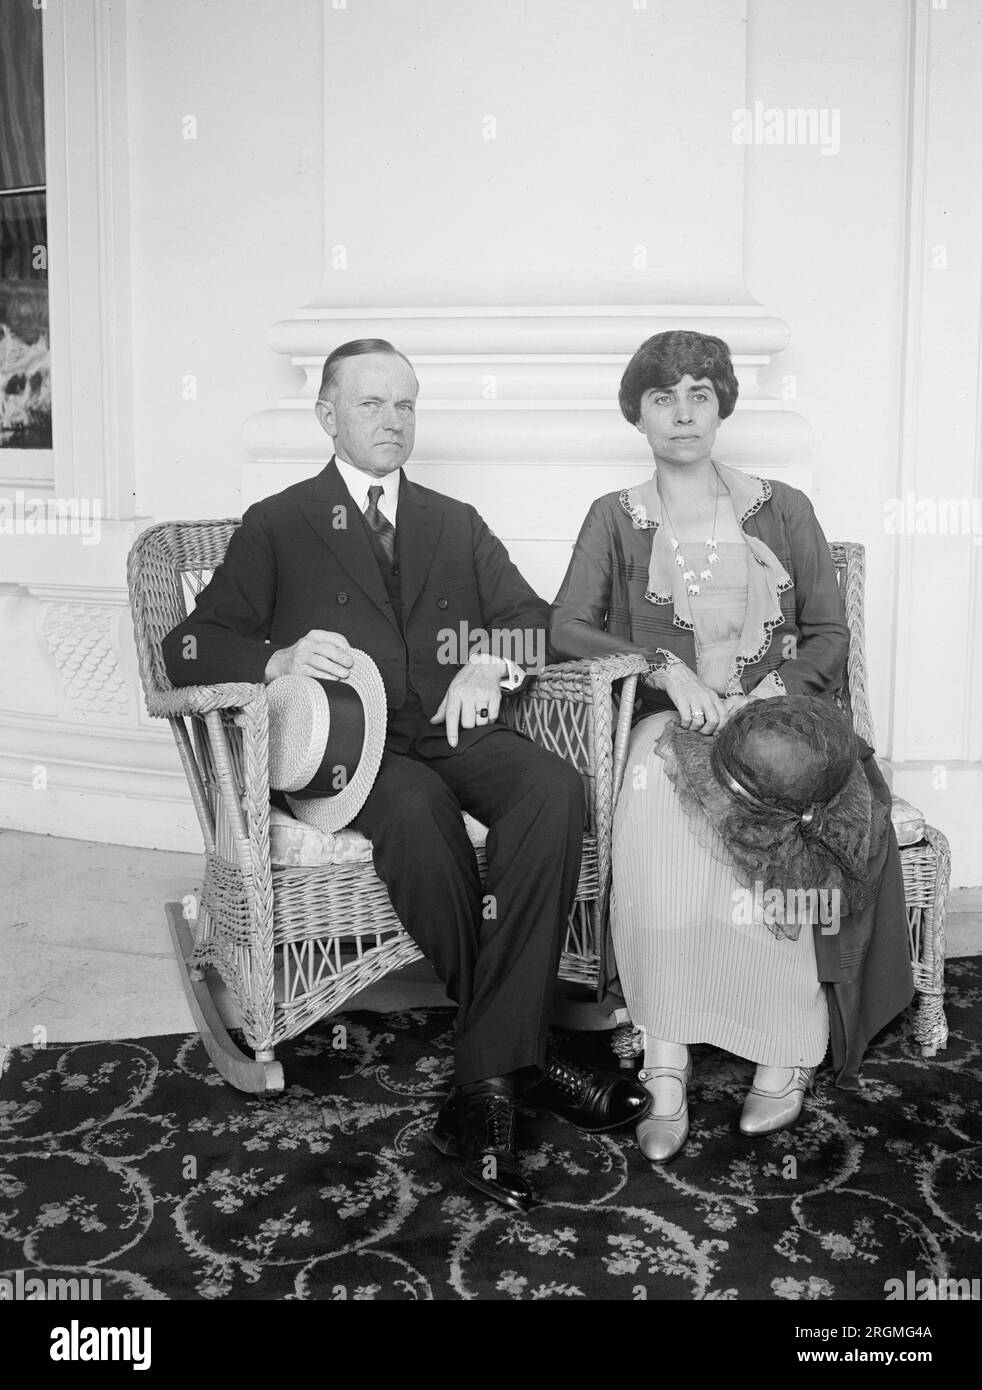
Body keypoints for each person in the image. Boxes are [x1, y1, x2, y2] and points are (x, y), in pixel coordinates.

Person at [163, 338, 648, 1211]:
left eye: (407, 405)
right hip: (358, 755)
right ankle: (523, 1056)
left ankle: (486, 1086)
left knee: (553, 788)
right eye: (371, 404)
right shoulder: (280, 521)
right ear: (327, 416)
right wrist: (278, 656)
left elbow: (530, 621)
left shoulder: (452, 520)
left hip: (456, 729)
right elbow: (187, 645)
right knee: (418, 808)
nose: (393, 421)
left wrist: (486, 664)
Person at [549, 329, 913, 1162]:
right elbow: (564, 624)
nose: (684, 413)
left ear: (721, 407)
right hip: (672, 722)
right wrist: (657, 666)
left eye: (700, 394)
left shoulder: (783, 508)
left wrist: (774, 692)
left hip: (784, 720)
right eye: (664, 397)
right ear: (637, 415)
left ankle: (783, 1043)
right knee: (651, 790)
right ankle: (668, 1053)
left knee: (779, 806)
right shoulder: (614, 518)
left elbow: (825, 630)